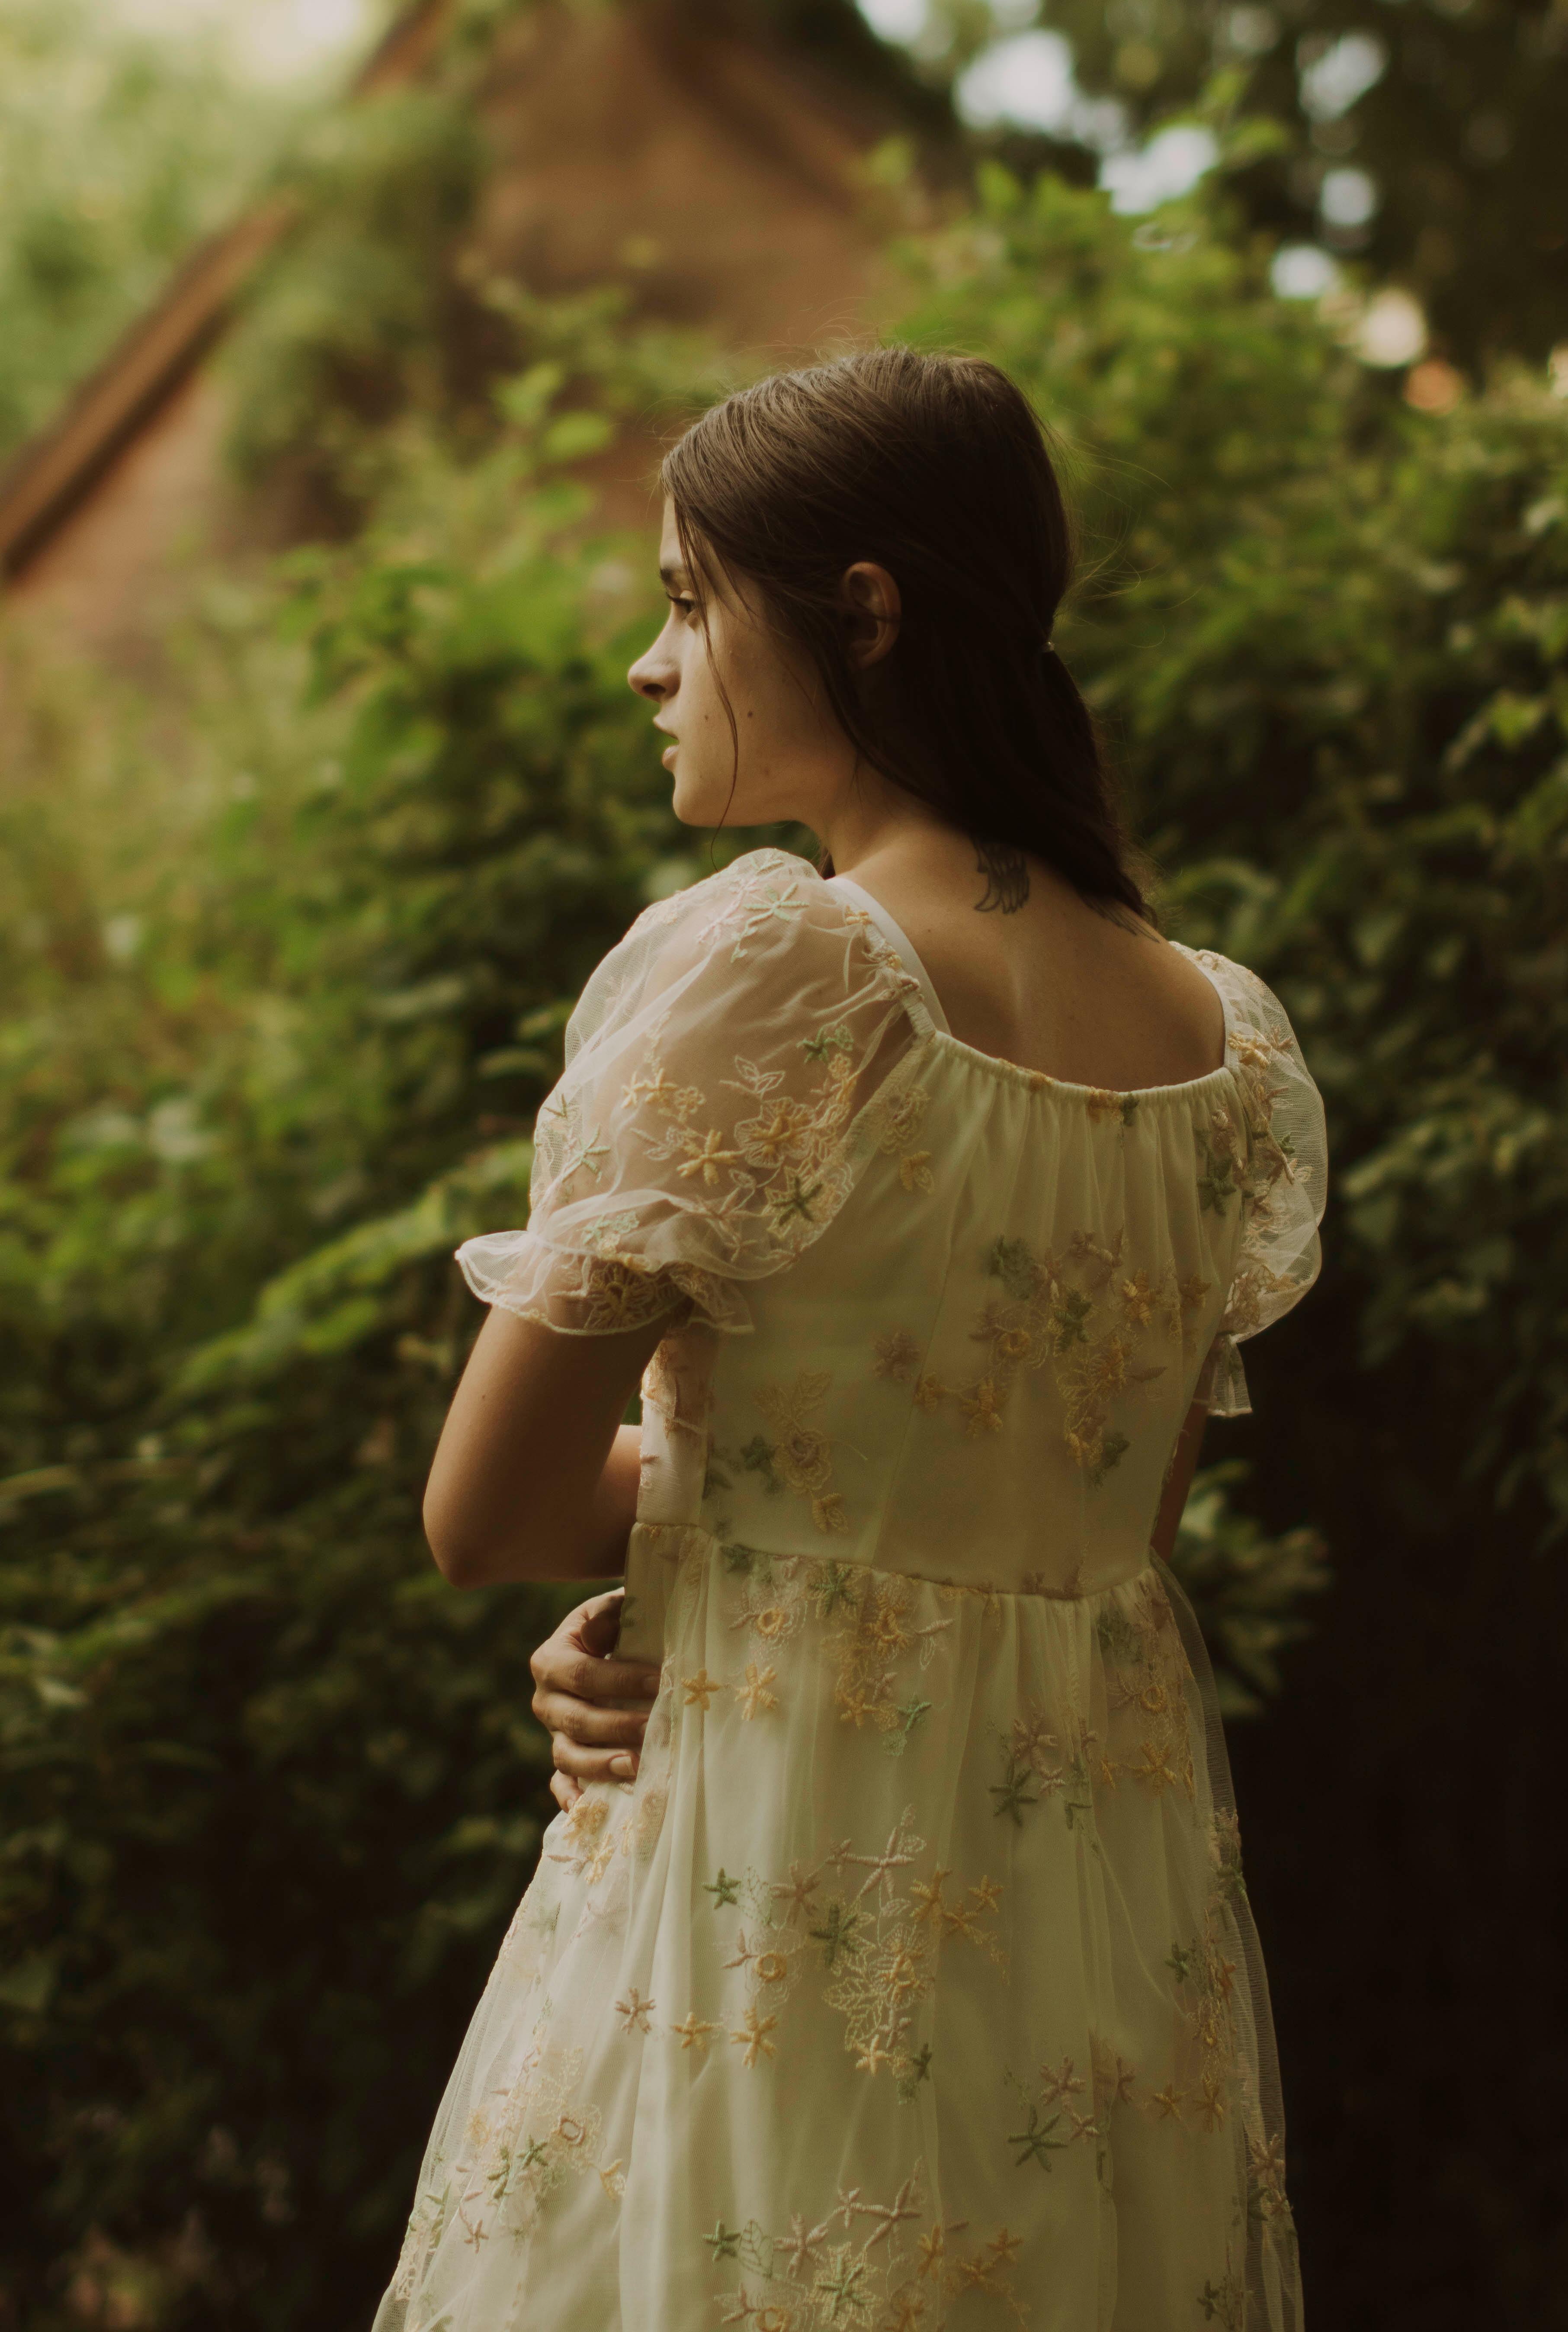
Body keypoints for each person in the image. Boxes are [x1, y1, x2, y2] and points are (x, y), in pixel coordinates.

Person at [375, 345, 1326, 2332]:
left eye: (685, 601)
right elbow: (1101, 1530)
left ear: (862, 610)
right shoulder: (1221, 1041)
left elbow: (488, 1509)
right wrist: (683, 1550)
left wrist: (664, 1564)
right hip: (1088, 1918)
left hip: (779, 1876)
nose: (651, 667)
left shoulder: (786, 965)